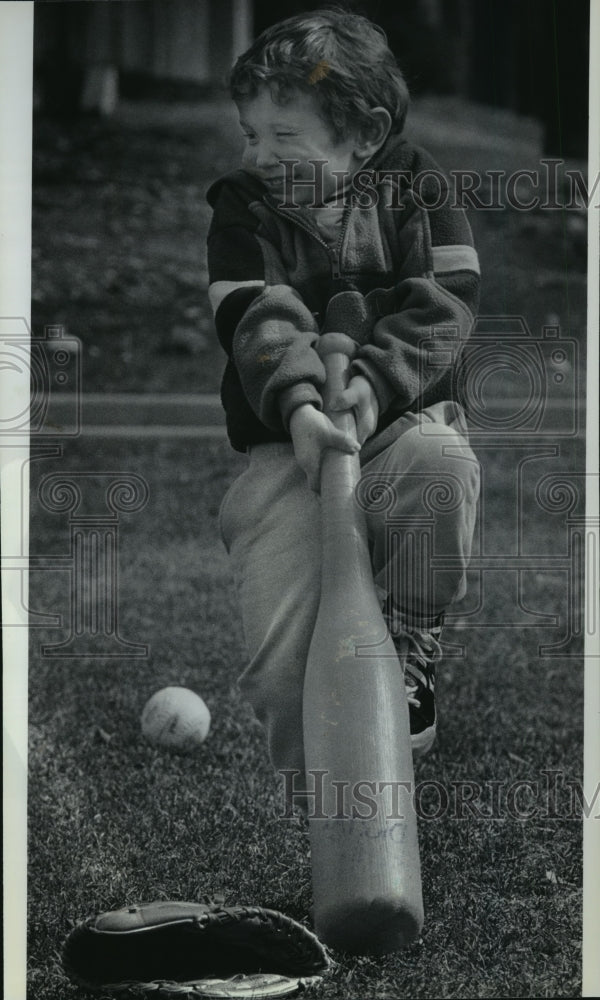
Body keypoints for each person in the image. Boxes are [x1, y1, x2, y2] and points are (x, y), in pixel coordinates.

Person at [206, 8, 480, 808]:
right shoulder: (242, 207)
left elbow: (444, 303)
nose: (259, 156)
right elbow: (256, 315)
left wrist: (371, 389)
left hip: (398, 430)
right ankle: (340, 837)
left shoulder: (418, 187)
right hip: (284, 451)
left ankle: (413, 632)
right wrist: (299, 408)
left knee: (443, 464)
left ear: (363, 133)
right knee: (282, 674)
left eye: (284, 137)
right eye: (251, 134)